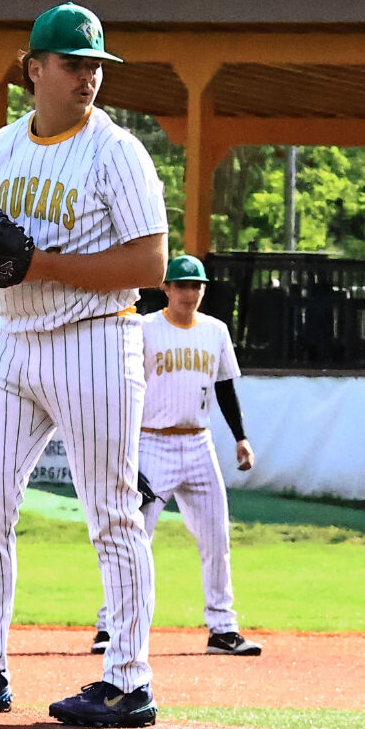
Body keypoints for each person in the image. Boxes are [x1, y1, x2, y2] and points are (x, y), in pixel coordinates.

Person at [0, 1, 169, 728]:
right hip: (13, 341)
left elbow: (150, 263)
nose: (89, 76)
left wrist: (40, 262)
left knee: (110, 513)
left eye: (97, 65)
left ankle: (128, 680)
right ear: (35, 69)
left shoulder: (116, 152)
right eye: (74, 63)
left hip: (95, 338)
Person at [92, 254, 261, 657]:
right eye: (182, 284)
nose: (190, 292)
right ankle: (109, 626)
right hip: (152, 443)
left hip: (199, 445)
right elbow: (123, 387)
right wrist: (126, 450)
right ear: (165, 288)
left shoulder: (216, 331)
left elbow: (224, 387)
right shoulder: (145, 329)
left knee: (216, 538)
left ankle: (223, 628)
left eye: (197, 285)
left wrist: (240, 437)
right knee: (133, 538)